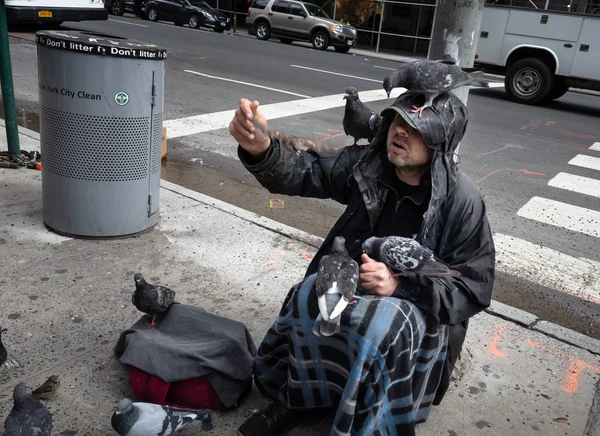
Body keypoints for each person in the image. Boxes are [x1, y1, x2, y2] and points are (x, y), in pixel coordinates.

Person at [229, 90, 495, 436]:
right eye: (398, 121)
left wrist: (402, 286)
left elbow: (472, 288)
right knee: (311, 293)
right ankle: (299, 399)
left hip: (416, 314)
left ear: (439, 143)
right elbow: (309, 172)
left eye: (415, 128)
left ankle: (372, 423)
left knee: (384, 323)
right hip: (352, 284)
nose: (400, 131)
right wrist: (261, 148)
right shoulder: (369, 165)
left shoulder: (462, 202)